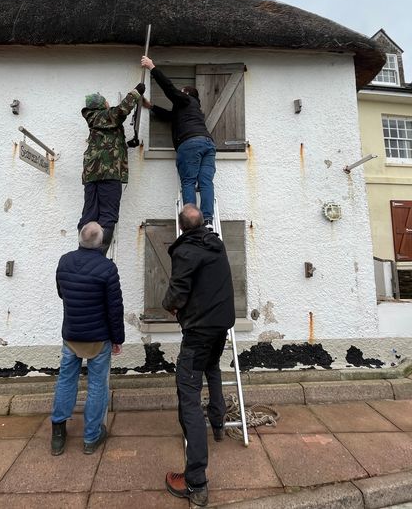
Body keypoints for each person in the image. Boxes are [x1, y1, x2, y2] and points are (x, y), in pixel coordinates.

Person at [162, 204, 235, 507]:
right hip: (220, 327)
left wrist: (168, 305)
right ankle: (217, 424)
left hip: (199, 333)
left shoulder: (187, 251)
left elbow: (178, 291)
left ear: (181, 228)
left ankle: (196, 481)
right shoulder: (216, 245)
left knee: (189, 395)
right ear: (202, 223)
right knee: (213, 370)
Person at [50, 222, 124, 455]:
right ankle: (91, 437)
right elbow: (114, 308)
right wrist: (117, 338)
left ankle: (58, 434)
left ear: (79, 239)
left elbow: (62, 292)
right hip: (97, 337)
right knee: (96, 386)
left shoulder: (64, 261)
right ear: (101, 242)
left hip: (71, 333)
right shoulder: (107, 268)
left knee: (66, 380)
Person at [140, 55, 217, 229]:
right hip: (208, 144)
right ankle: (208, 220)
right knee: (205, 183)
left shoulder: (185, 99)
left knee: (189, 182)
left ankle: (192, 223)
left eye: (181, 92)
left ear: (187, 93)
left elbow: (169, 89)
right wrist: (152, 107)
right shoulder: (192, 109)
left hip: (190, 144)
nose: (179, 94)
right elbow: (170, 116)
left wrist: (152, 67)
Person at [78, 82, 145, 254]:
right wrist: (136, 92)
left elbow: (106, 144)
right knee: (108, 216)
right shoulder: (102, 116)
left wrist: (127, 145)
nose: (108, 103)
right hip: (108, 173)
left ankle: (83, 252)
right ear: (101, 105)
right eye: (105, 101)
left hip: (92, 174)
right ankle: (97, 256)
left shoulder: (97, 120)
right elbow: (121, 111)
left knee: (89, 214)